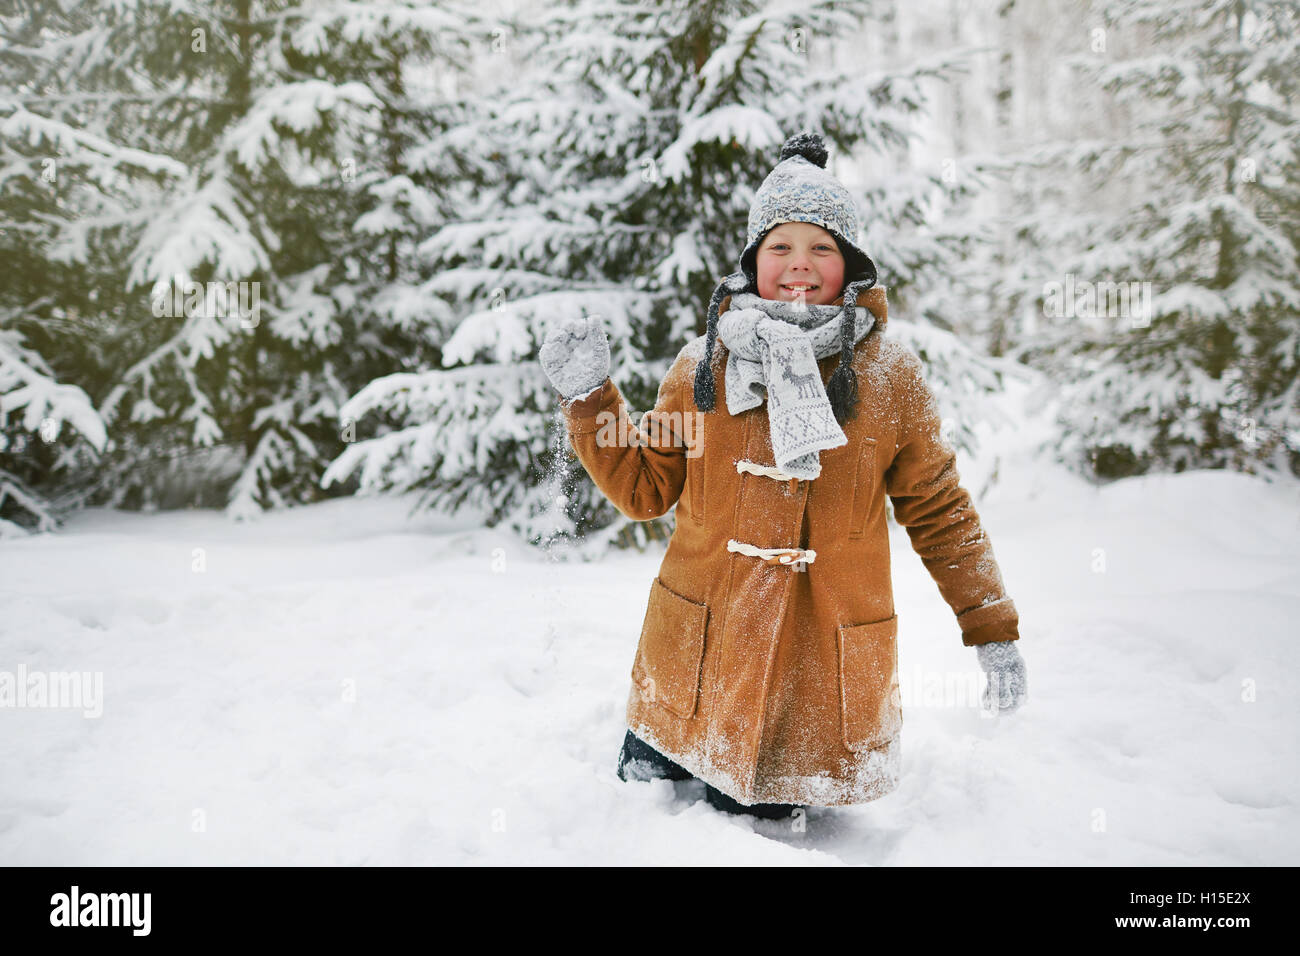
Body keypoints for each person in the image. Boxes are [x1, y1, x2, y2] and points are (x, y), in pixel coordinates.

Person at [539, 131, 1027, 819]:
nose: (800, 265)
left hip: (806, 697)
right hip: (690, 673)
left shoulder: (890, 379)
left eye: (821, 248)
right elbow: (644, 489)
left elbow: (940, 510)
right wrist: (591, 401)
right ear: (752, 263)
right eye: (781, 248)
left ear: (851, 263)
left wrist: (991, 625)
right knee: (637, 835)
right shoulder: (701, 367)